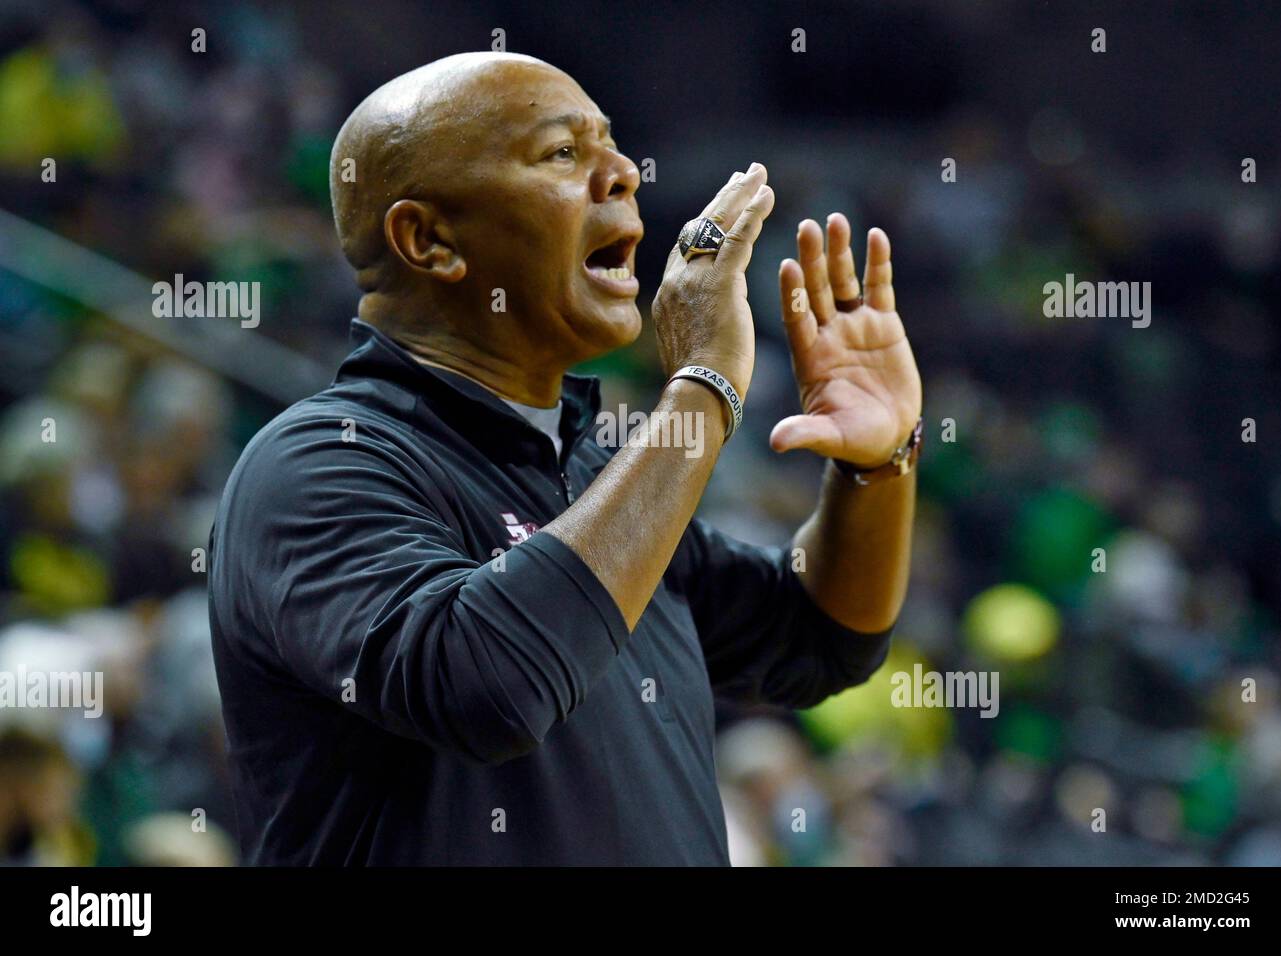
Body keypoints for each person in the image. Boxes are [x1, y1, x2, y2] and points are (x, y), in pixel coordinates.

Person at [208, 51, 923, 865]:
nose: (622, 174)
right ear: (430, 238)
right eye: (562, 153)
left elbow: (820, 637)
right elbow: (489, 688)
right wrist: (703, 387)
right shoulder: (318, 465)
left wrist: (878, 463)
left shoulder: (588, 476)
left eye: (613, 148)